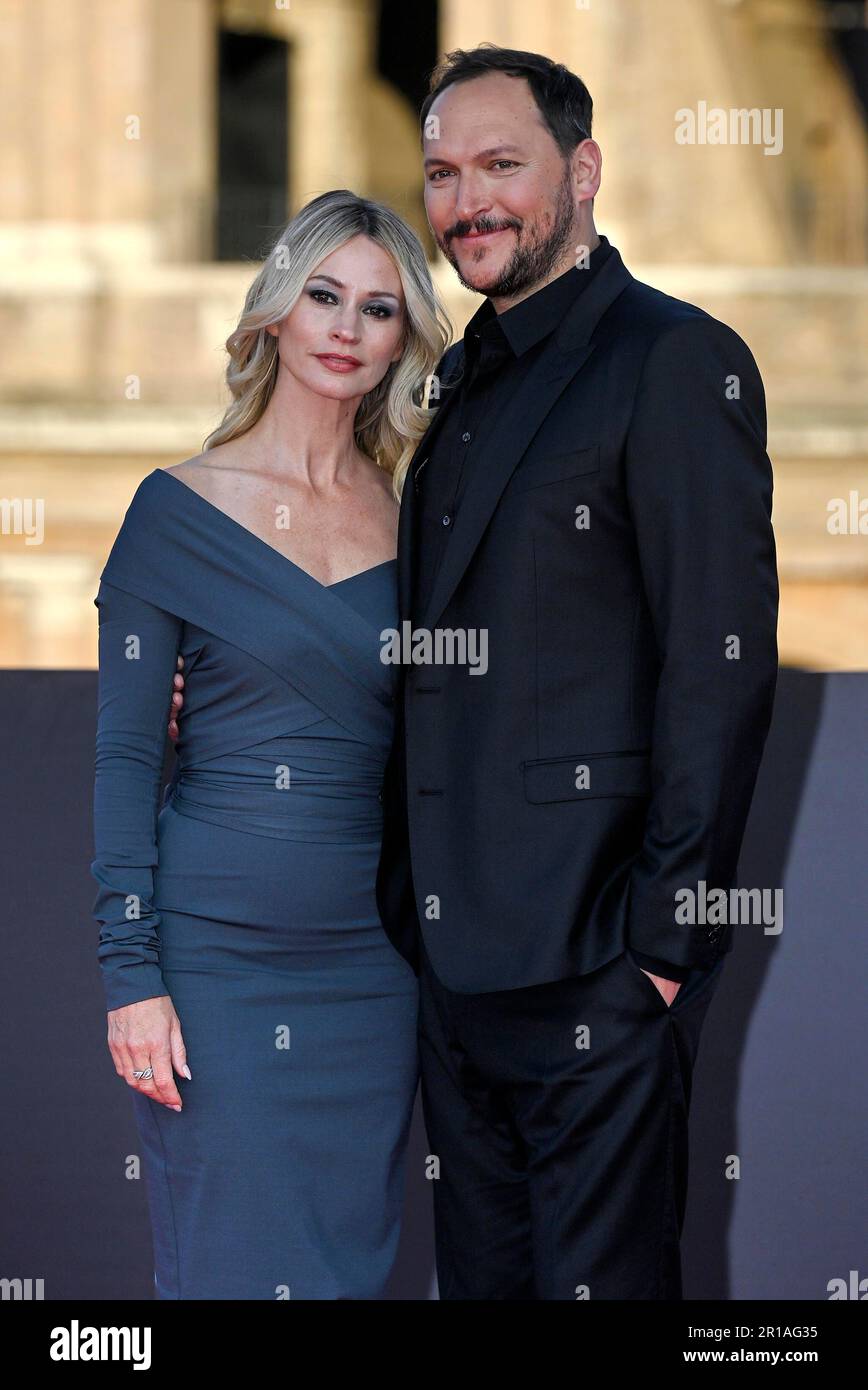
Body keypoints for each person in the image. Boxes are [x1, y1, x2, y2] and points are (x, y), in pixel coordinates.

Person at [171, 46, 779, 1300]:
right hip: (449, 974)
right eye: (443, 173)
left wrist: (659, 951)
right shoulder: (450, 384)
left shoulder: (672, 361)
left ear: (584, 170)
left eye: (501, 165)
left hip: (598, 971)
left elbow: (719, 666)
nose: (466, 201)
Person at [91, 189, 450, 1299]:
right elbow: (123, 762)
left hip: (373, 967)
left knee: (347, 1269)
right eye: (323, 296)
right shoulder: (174, 510)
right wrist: (129, 975)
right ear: (276, 316)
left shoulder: (420, 519)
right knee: (232, 1266)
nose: (346, 328)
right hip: (215, 967)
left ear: (404, 339)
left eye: (379, 308)